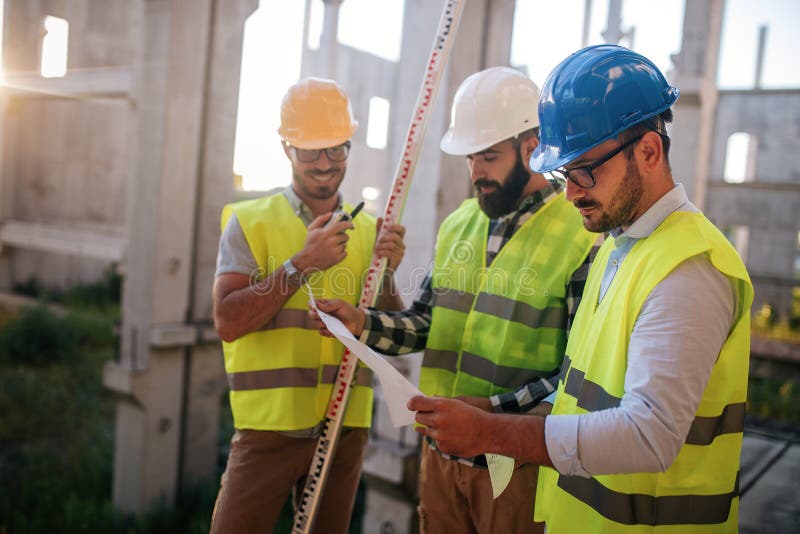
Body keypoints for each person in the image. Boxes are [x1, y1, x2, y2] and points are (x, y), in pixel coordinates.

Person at [409, 45, 753, 533]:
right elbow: (575, 394)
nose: (570, 193)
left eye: (584, 170)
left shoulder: (688, 269)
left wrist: (491, 430)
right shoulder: (621, 245)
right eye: (564, 174)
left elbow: (648, 435)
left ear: (649, 151)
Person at [313, 67, 598, 533]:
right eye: (470, 158)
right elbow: (426, 322)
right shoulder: (460, 223)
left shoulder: (581, 236)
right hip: (442, 458)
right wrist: (362, 322)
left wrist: (489, 414)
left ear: (532, 149)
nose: (475, 172)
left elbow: (577, 379)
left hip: (515, 470)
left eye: (488, 156)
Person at [210, 77, 406, 534]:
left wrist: (390, 271)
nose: (324, 163)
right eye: (310, 151)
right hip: (267, 433)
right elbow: (228, 320)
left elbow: (394, 335)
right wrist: (302, 264)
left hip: (344, 431)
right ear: (286, 149)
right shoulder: (250, 223)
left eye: (336, 149)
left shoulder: (371, 232)